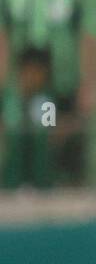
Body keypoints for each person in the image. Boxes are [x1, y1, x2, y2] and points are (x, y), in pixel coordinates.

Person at [0, 0, 96, 185]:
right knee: (21, 141)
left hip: (64, 86)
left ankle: (73, 205)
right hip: (22, 87)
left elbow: (89, 38)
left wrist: (89, 84)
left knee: (67, 148)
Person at [0, 45, 54, 188]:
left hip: (41, 174)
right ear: (21, 72)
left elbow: (50, 134)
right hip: (11, 174)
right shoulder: (8, 98)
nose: (33, 77)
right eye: (30, 72)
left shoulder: (46, 100)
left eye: (38, 73)